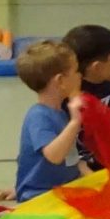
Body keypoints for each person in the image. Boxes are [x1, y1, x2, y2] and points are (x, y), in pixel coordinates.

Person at [12, 40, 89, 204]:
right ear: (60, 80)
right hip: (39, 196)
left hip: (65, 189)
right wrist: (75, 122)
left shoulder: (60, 112)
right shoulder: (38, 116)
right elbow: (54, 156)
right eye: (75, 71)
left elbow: (72, 159)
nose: (80, 75)